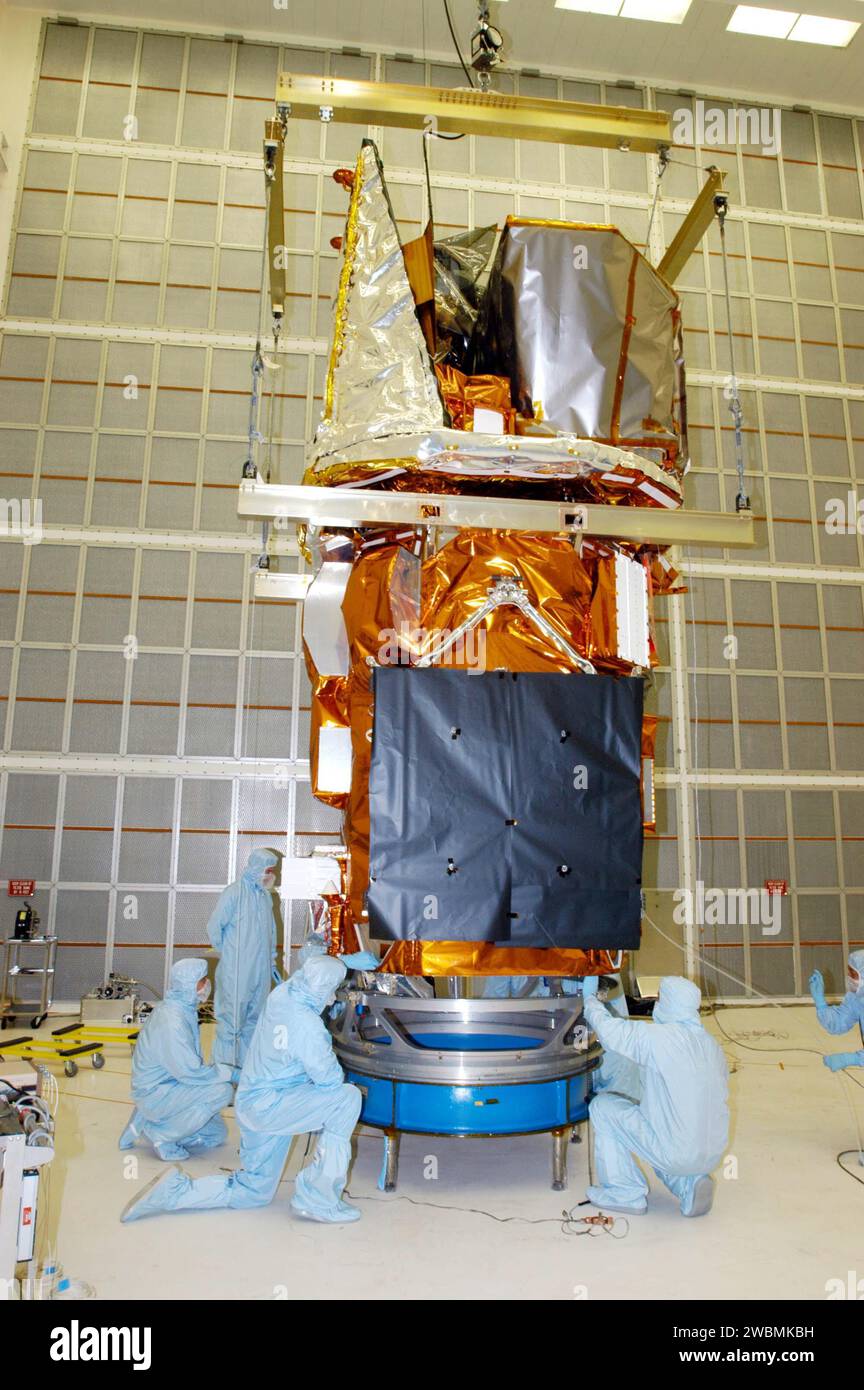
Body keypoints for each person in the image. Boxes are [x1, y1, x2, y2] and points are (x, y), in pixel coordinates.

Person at [121, 955, 364, 1225]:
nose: (331, 998)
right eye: (331, 990)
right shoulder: (308, 1027)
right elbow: (329, 1081)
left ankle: (175, 1192)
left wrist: (341, 962)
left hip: (253, 1104)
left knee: (254, 1191)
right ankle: (319, 1200)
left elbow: (304, 974)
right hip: (273, 1107)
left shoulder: (282, 996)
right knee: (346, 1099)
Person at [581, 974, 728, 1218]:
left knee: (603, 1108)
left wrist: (590, 1001)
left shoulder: (660, 1038)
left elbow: (611, 1032)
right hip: (712, 1153)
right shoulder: (711, 1045)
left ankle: (624, 1192)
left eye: (660, 997)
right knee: (658, 1129)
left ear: (668, 1003)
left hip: (677, 1152)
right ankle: (688, 1186)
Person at [119, 958, 234, 1161]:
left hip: (171, 1084)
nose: (207, 984)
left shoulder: (182, 1008)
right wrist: (230, 1073)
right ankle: (162, 1135)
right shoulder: (172, 1021)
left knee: (216, 1135)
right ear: (189, 984)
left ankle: (152, 1123)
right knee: (222, 1091)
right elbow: (191, 1072)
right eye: (202, 980)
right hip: (158, 1092)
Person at [208, 848, 279, 1079]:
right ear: (256, 868)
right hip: (237, 971)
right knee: (232, 1023)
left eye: (272, 871)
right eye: (267, 871)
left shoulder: (265, 896)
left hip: (260, 970)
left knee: (253, 1021)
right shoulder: (234, 893)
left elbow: (272, 931)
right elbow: (214, 927)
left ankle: (246, 1075)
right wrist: (231, 955)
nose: (270, 876)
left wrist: (271, 961)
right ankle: (224, 1077)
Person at [810, 950, 864, 1072]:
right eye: (848, 972)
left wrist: (851, 1059)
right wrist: (820, 1002)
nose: (849, 978)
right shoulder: (856, 998)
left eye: (853, 974)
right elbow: (839, 1023)